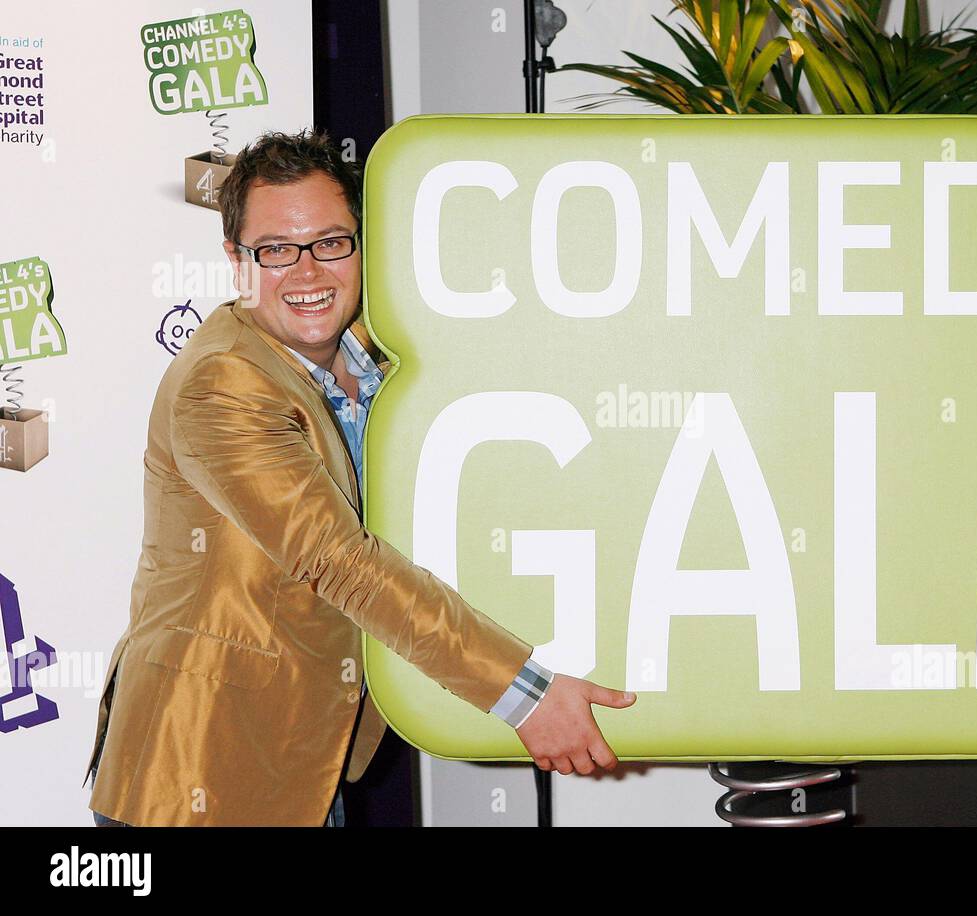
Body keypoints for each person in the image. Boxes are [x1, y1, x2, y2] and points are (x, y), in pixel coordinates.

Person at [85, 129, 634, 827]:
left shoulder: (371, 346)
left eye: (330, 242)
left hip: (307, 756)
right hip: (201, 770)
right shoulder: (222, 384)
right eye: (276, 251)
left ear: (359, 244)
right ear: (236, 261)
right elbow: (337, 560)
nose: (308, 272)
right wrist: (521, 694)